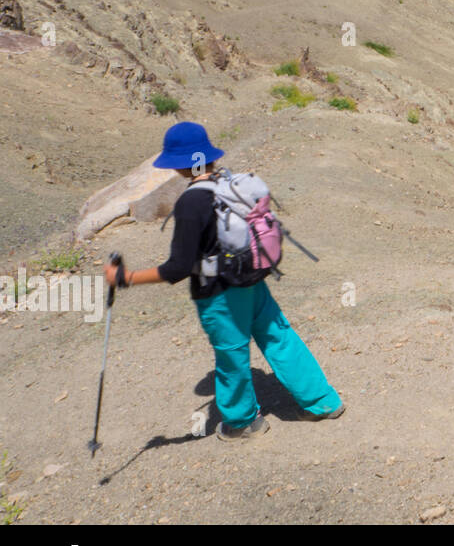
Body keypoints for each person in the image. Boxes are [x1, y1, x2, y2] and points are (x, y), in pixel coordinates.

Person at [105, 121, 344, 440]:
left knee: (232, 356)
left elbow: (177, 268)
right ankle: (322, 402)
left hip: (219, 296)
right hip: (253, 281)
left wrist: (126, 278)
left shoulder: (191, 203)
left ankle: (243, 422)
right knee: (280, 338)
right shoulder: (229, 184)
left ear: (180, 164)